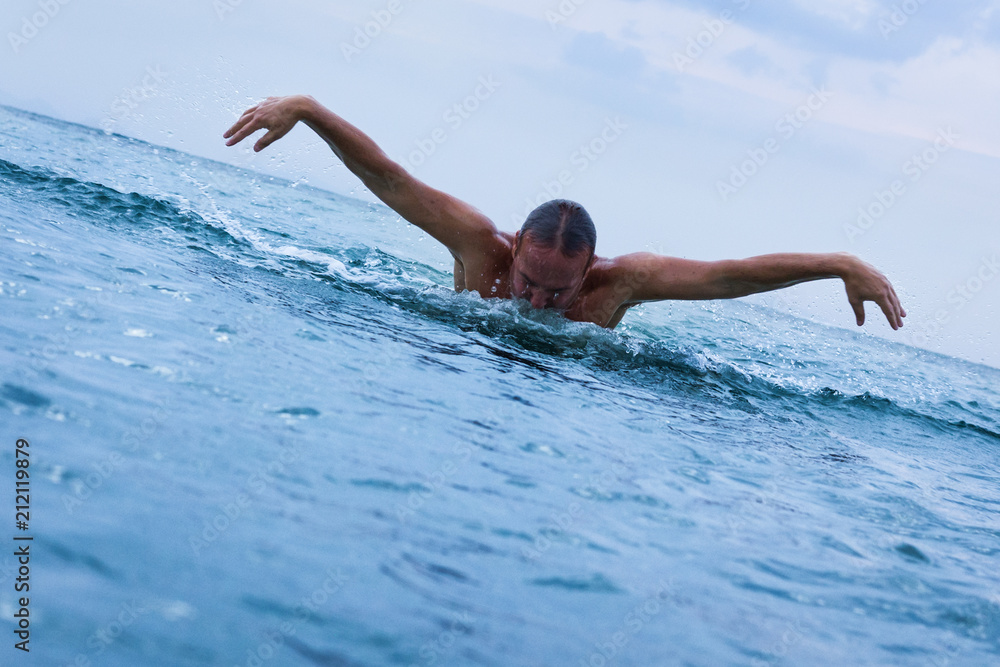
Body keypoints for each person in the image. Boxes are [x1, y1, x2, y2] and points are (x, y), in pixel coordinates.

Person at [223, 95, 906, 331]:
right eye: (528, 282)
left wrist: (839, 262)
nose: (537, 300)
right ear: (514, 248)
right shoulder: (477, 246)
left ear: (592, 270)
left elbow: (730, 277)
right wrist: (307, 110)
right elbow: (390, 178)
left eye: (558, 290)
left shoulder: (625, 282)